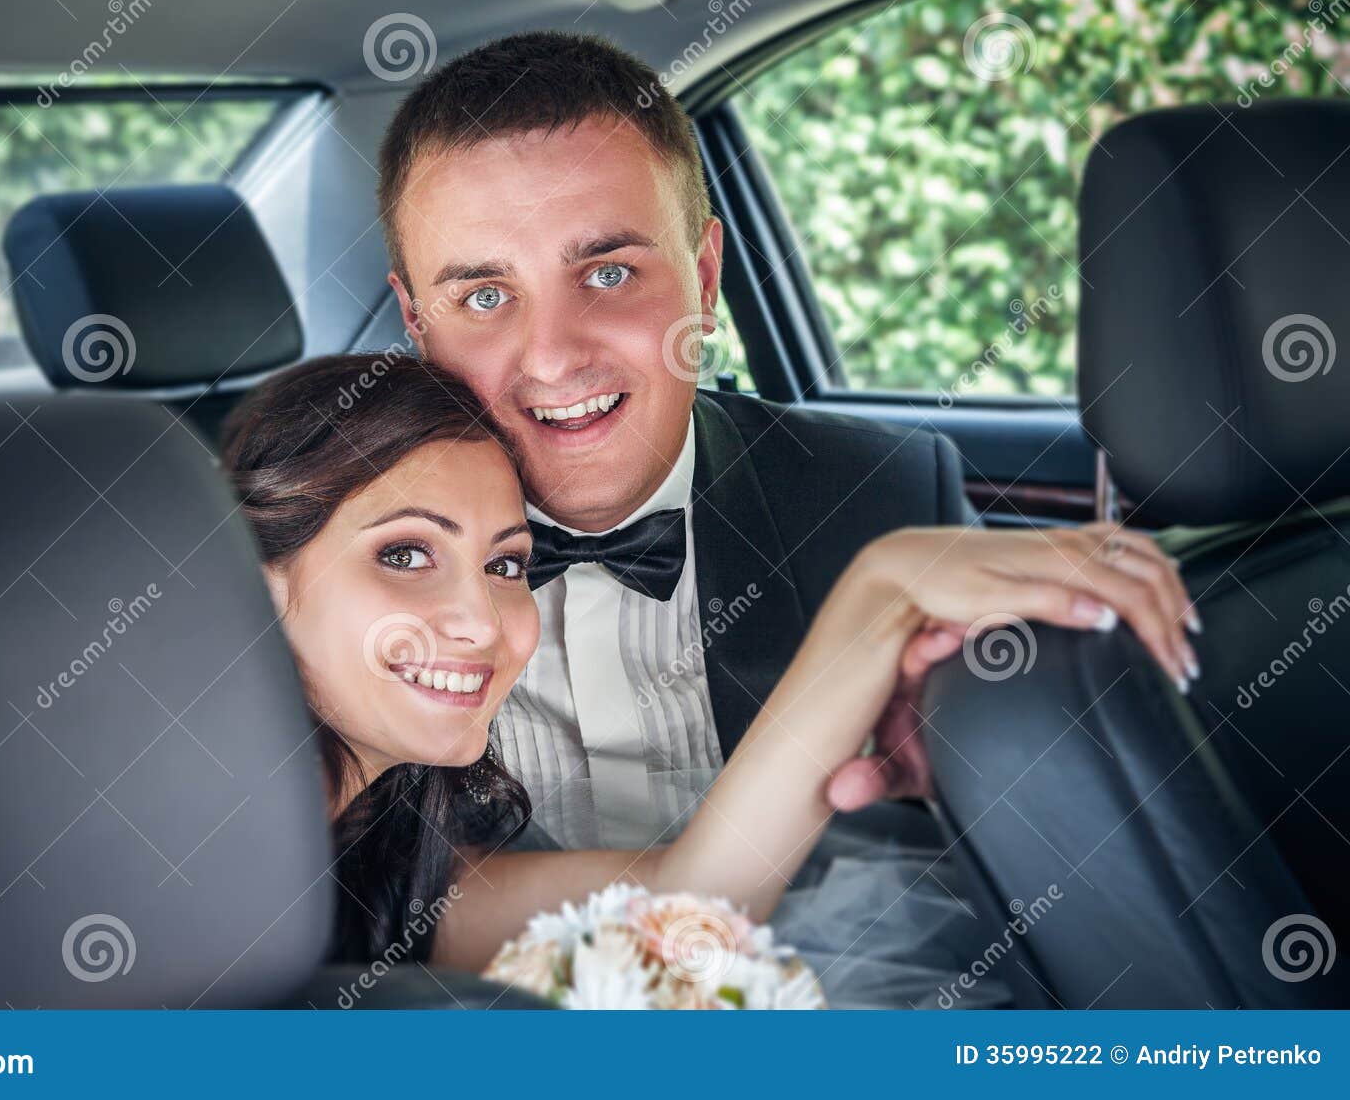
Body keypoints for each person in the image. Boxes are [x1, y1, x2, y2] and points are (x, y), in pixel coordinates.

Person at [368, 31, 1199, 999]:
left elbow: (1008, 853)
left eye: (608, 273)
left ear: (704, 277)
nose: (552, 356)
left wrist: (969, 761)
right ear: (416, 325)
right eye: (482, 294)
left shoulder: (880, 491)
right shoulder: (336, 562)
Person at [222, 354, 1197, 979]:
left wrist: (881, 589)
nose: (481, 620)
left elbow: (688, 908)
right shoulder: (178, 848)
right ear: (256, 580)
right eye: (404, 553)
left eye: (507, 564)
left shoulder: (398, 859)